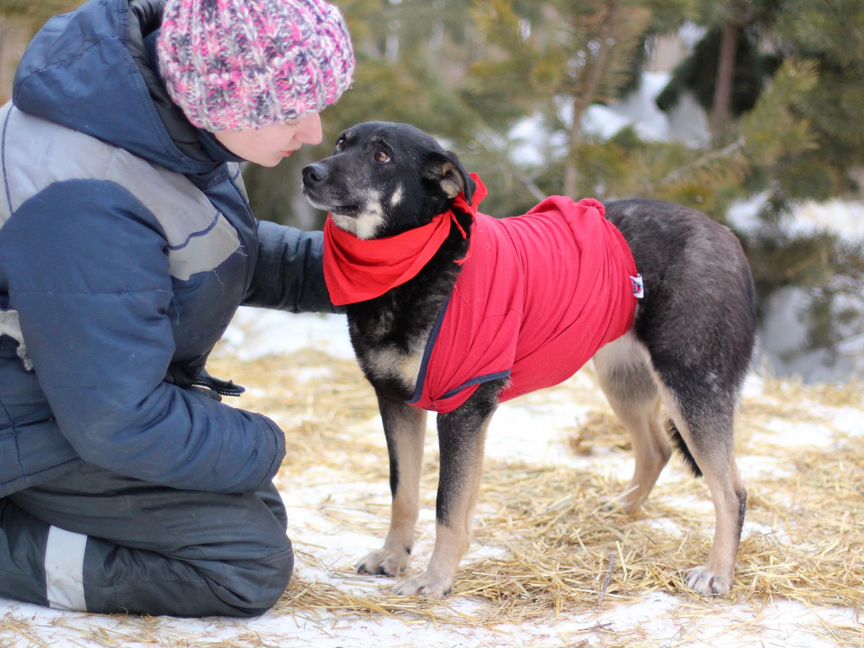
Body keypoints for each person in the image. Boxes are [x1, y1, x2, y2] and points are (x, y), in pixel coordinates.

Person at [0, 0, 354, 617]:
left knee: (251, 500)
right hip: (32, 417)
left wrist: (360, 275)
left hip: (65, 395)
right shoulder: (87, 198)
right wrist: (266, 443)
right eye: (291, 111)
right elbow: (117, 422)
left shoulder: (163, 117)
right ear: (226, 99)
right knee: (243, 565)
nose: (314, 134)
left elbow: (199, 248)